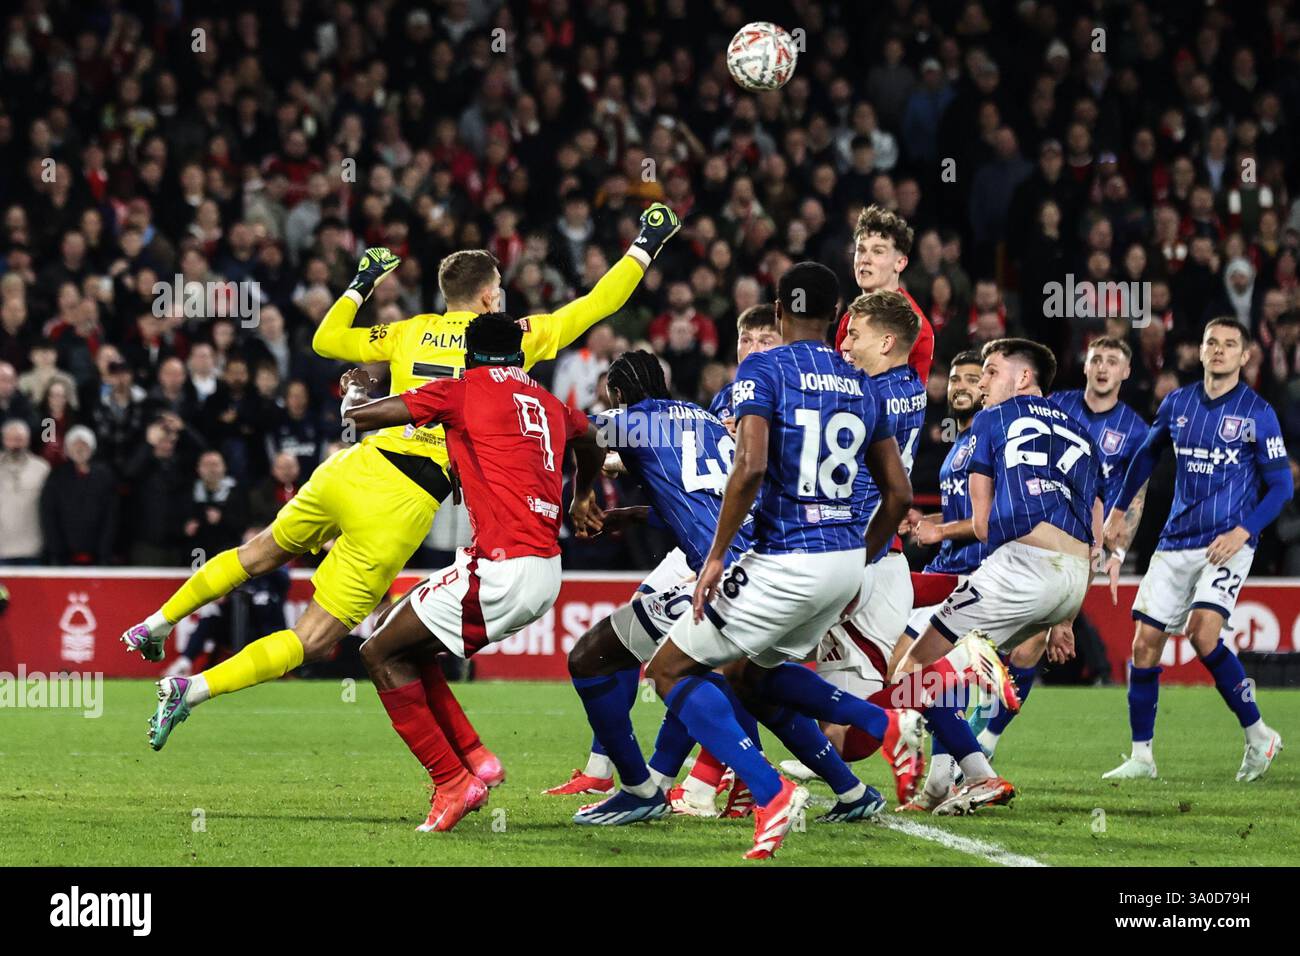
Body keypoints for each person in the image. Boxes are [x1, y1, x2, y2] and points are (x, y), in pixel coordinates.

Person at [129, 202, 680, 756]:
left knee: (256, 554)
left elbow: (325, 341)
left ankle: (155, 622)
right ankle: (191, 689)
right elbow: (600, 301)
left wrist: (362, 282)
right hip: (401, 502)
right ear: (489, 298)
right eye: (499, 292)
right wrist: (646, 243)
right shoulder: (517, 338)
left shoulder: (409, 331)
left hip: (352, 466)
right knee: (315, 638)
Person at [642, 261, 915, 859]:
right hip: (845, 561)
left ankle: (770, 793)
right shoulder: (862, 383)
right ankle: (878, 734)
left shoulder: (762, 369)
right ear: (837, 315)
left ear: (778, 310)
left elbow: (750, 466)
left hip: (787, 558)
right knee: (750, 674)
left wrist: (716, 557)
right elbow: (899, 495)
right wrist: (861, 555)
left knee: (668, 671)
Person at [345, 313, 604, 832]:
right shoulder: (548, 400)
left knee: (378, 653)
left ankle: (453, 782)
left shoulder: (461, 390)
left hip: (501, 569)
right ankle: (474, 757)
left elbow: (366, 418)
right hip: (545, 568)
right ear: (518, 354)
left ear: (469, 353)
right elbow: (593, 438)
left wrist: (353, 393)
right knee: (402, 636)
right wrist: (583, 496)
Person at [892, 338, 1110, 815]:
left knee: (910, 672)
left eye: (991, 371)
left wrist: (939, 531)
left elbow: (983, 525)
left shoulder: (992, 420)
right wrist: (1066, 617)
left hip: (1020, 567)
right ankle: (955, 778)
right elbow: (1096, 535)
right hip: (1073, 578)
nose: (983, 383)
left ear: (1024, 377)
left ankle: (975, 676)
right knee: (939, 673)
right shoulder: (1082, 433)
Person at [551, 350, 758, 823]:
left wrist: (582, 492)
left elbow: (579, 433)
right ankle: (843, 783)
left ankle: (757, 781)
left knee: (611, 660)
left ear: (617, 394)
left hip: (720, 570)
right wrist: (630, 514)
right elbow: (698, 493)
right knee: (737, 675)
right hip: (757, 562)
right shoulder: (704, 419)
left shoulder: (634, 420)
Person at [1102, 317, 1291, 782]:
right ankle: (1142, 757)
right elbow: (1146, 455)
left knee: (1203, 634)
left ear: (1245, 355)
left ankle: (1258, 735)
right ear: (1201, 351)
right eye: (1212, 343)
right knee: (1144, 644)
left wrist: (1244, 532)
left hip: (1226, 544)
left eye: (1230, 344)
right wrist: (1118, 510)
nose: (1219, 350)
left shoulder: (1257, 413)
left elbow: (1281, 487)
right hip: (1175, 540)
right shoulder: (1178, 403)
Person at [967, 335, 1149, 756]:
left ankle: (982, 742)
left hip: (1080, 539)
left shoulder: (1135, 429)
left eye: (1112, 361)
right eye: (1096, 359)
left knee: (1028, 643)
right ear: (1084, 366)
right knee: (996, 642)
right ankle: (967, 739)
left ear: (1126, 372)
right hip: (1023, 528)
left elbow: (1135, 496)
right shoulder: (1056, 406)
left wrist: (1116, 550)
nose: (1102, 367)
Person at [802, 289, 928, 803]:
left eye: (855, 334)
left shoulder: (865, 397)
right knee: (838, 722)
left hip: (849, 549)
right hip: (881, 557)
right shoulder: (912, 388)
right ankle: (851, 786)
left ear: (887, 341)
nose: (845, 344)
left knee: (749, 658)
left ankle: (713, 780)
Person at [832, 205, 934, 385]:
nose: (865, 259)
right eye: (861, 250)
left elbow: (911, 397)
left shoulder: (916, 327)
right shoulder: (848, 319)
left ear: (900, 263)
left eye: (878, 251)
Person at [40, 425, 118, 565]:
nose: (79, 449)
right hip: (63, 557)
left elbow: (111, 515)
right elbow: (48, 516)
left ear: (92, 448)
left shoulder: (104, 475)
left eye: (84, 444)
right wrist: (57, 550)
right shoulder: (57, 476)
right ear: (68, 449)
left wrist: (104, 550)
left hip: (99, 556)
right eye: (75, 445)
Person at [0, 419, 50, 565]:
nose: (15, 444)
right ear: (4, 440)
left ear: (28, 441)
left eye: (20, 439)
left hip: (33, 549)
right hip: (2, 548)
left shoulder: (42, 468)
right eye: (11, 439)